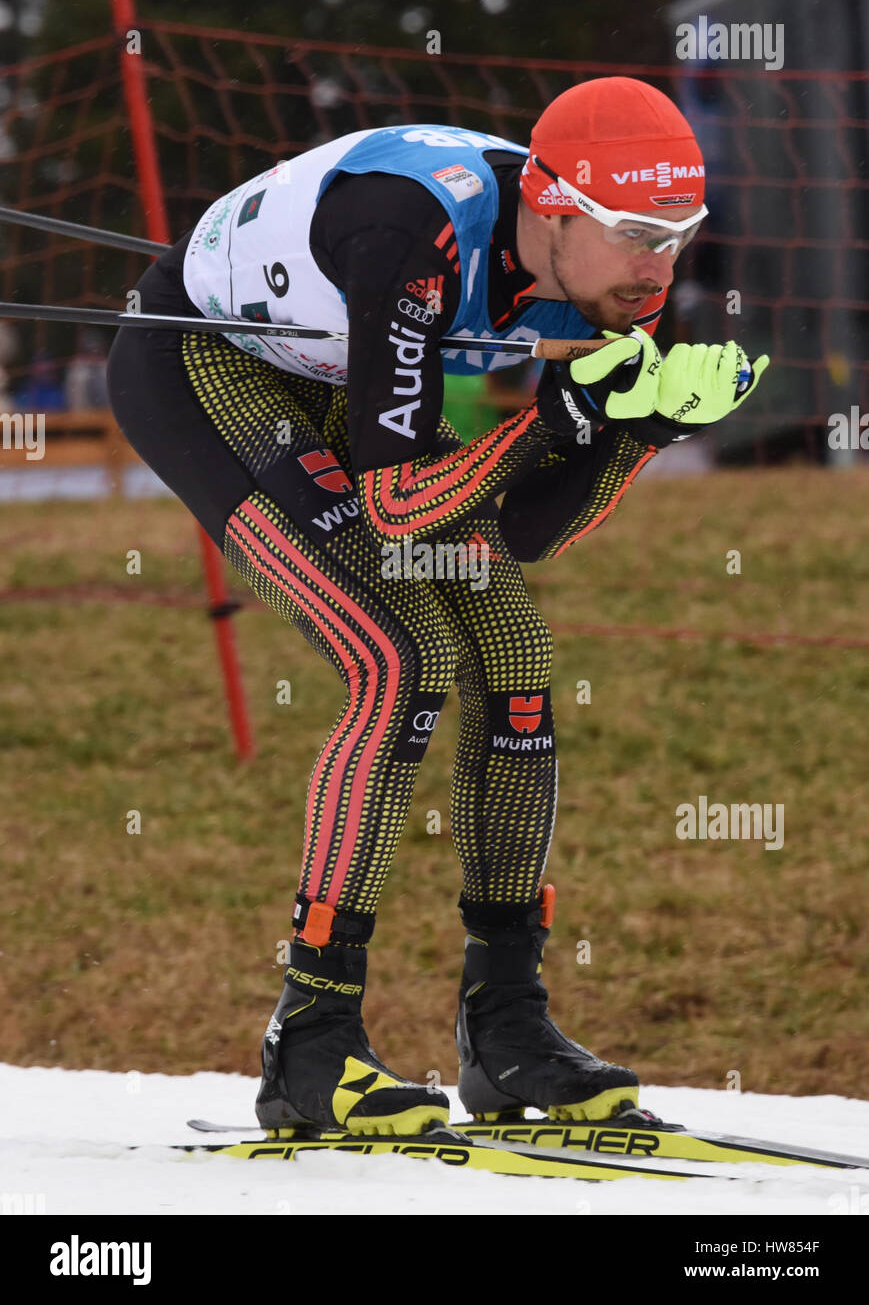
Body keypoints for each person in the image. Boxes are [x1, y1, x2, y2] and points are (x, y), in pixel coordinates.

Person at [106, 77, 767, 1137]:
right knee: (397, 659)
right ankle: (310, 1039)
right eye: (638, 233)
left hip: (333, 378)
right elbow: (399, 506)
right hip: (206, 364)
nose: (659, 268)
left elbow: (523, 533)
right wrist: (560, 415)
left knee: (511, 653)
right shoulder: (414, 231)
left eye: (681, 235)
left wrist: (634, 430)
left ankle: (505, 1029)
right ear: (552, 210)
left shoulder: (604, 283)